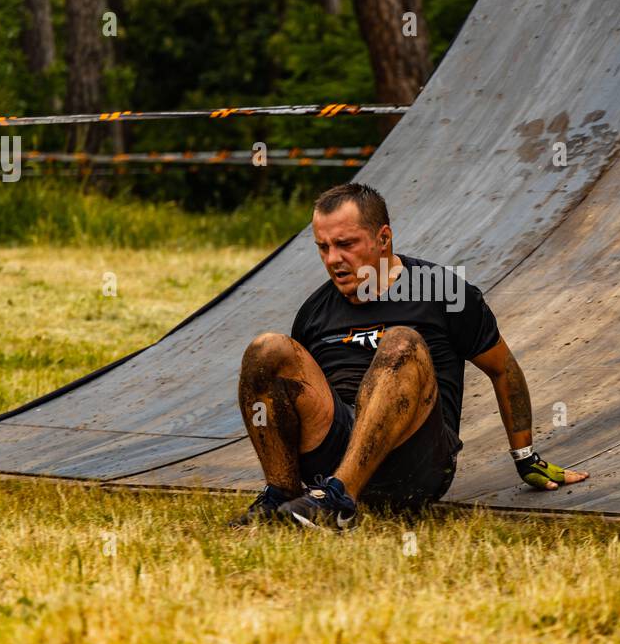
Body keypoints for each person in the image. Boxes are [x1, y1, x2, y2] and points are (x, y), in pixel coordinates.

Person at [231, 182, 588, 530]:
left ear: (384, 238)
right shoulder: (314, 311)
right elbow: (294, 401)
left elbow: (503, 369)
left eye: (345, 244)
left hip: (415, 462)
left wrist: (526, 458)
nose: (333, 259)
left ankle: (340, 501)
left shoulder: (444, 292)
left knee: (402, 342)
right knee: (268, 348)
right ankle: (283, 496)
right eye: (322, 247)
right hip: (336, 450)